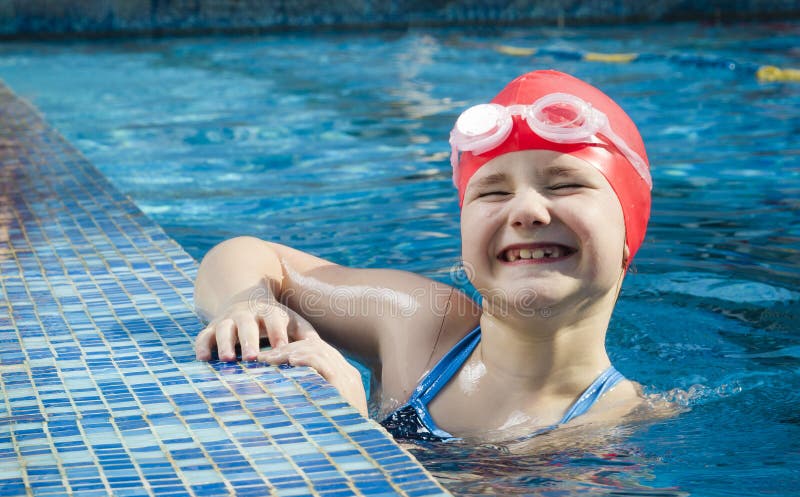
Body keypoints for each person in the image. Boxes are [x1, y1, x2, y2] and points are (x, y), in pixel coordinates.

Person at [194, 69, 653, 444]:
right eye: (492, 191)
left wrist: (357, 432)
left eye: (565, 184)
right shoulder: (419, 329)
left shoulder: (614, 427)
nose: (527, 211)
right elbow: (245, 254)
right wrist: (250, 302)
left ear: (629, 234)